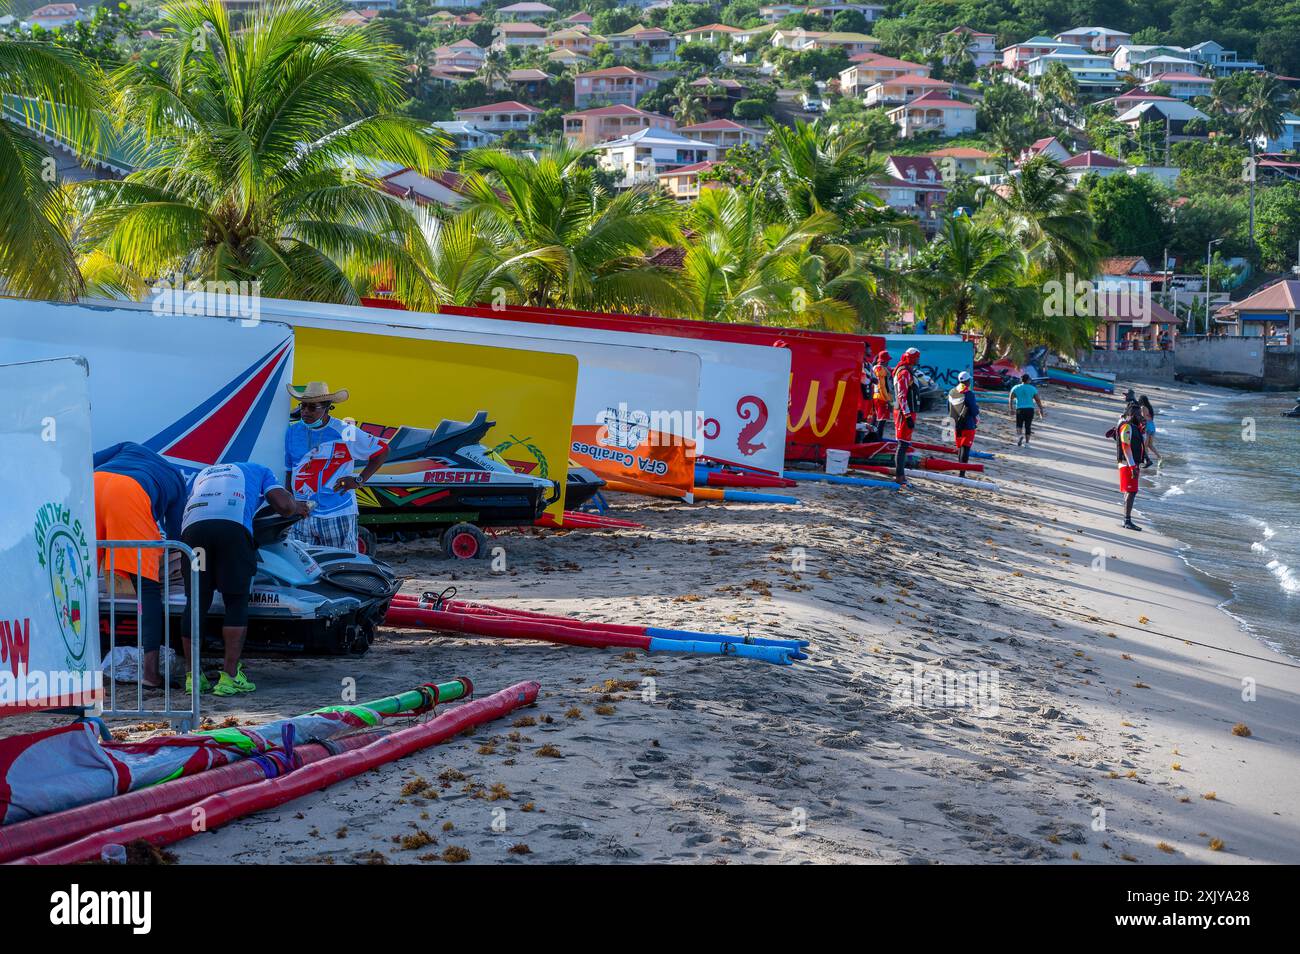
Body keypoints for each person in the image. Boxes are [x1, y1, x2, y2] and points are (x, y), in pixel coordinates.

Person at [180, 461, 309, 695]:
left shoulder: (205, 473)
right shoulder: (263, 470)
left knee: (196, 601)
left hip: (193, 530)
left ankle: (193, 677)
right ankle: (229, 677)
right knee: (236, 599)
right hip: (232, 528)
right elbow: (284, 507)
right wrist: (296, 505)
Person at [92, 442, 187, 690]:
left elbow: (86, 460)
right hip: (130, 493)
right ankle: (150, 674)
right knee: (148, 589)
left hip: (92, 484)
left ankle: (65, 668)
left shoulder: (129, 447)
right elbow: (177, 535)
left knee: (78, 581)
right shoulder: (176, 478)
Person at [284, 381, 389, 553]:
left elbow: (382, 451)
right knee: (305, 569)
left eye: (312, 407)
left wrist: (358, 480)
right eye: (303, 406)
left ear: (326, 407)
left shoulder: (345, 431)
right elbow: (290, 469)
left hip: (337, 513)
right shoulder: (292, 431)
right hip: (302, 514)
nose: (305, 412)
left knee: (340, 566)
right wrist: (291, 503)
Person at [892, 348, 920, 485]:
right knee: (902, 445)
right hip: (904, 413)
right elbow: (902, 395)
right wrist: (908, 416)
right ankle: (899, 476)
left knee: (904, 444)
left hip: (907, 412)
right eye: (916, 358)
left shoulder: (907, 372)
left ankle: (901, 475)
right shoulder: (903, 373)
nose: (917, 360)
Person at [1116, 403, 1145, 531]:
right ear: (1132, 415)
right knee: (1131, 491)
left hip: (1130, 463)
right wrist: (1133, 466)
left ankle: (1126, 519)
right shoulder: (1127, 426)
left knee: (1131, 491)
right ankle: (1127, 520)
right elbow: (1125, 446)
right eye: (1138, 414)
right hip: (1128, 463)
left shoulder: (1131, 426)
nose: (1140, 416)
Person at [947, 370, 980, 464]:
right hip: (968, 424)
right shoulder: (969, 394)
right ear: (967, 381)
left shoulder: (952, 392)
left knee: (960, 447)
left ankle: (960, 468)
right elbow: (974, 410)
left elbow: (949, 408)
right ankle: (962, 473)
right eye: (969, 380)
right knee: (965, 448)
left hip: (956, 424)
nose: (970, 382)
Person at [1008, 374, 1045, 447]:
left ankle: (1020, 436)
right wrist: (1041, 409)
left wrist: (1011, 409)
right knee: (1028, 426)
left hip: (1020, 409)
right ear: (1028, 380)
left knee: (1019, 424)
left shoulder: (1016, 387)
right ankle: (1027, 443)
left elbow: (1010, 398)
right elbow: (1037, 400)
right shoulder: (1032, 388)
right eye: (1030, 379)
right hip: (1030, 409)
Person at [871, 351, 893, 439]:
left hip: (876, 396)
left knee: (875, 419)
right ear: (884, 360)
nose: (889, 362)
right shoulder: (880, 369)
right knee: (881, 420)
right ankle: (877, 438)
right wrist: (887, 399)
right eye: (888, 360)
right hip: (881, 397)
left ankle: (872, 438)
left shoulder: (876, 368)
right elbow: (882, 386)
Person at [1137, 394, 1161, 467]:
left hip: (1147, 426)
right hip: (1152, 426)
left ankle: (1146, 461)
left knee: (1145, 446)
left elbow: (1143, 418)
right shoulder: (1150, 408)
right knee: (1150, 445)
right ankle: (1160, 457)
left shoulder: (1143, 407)